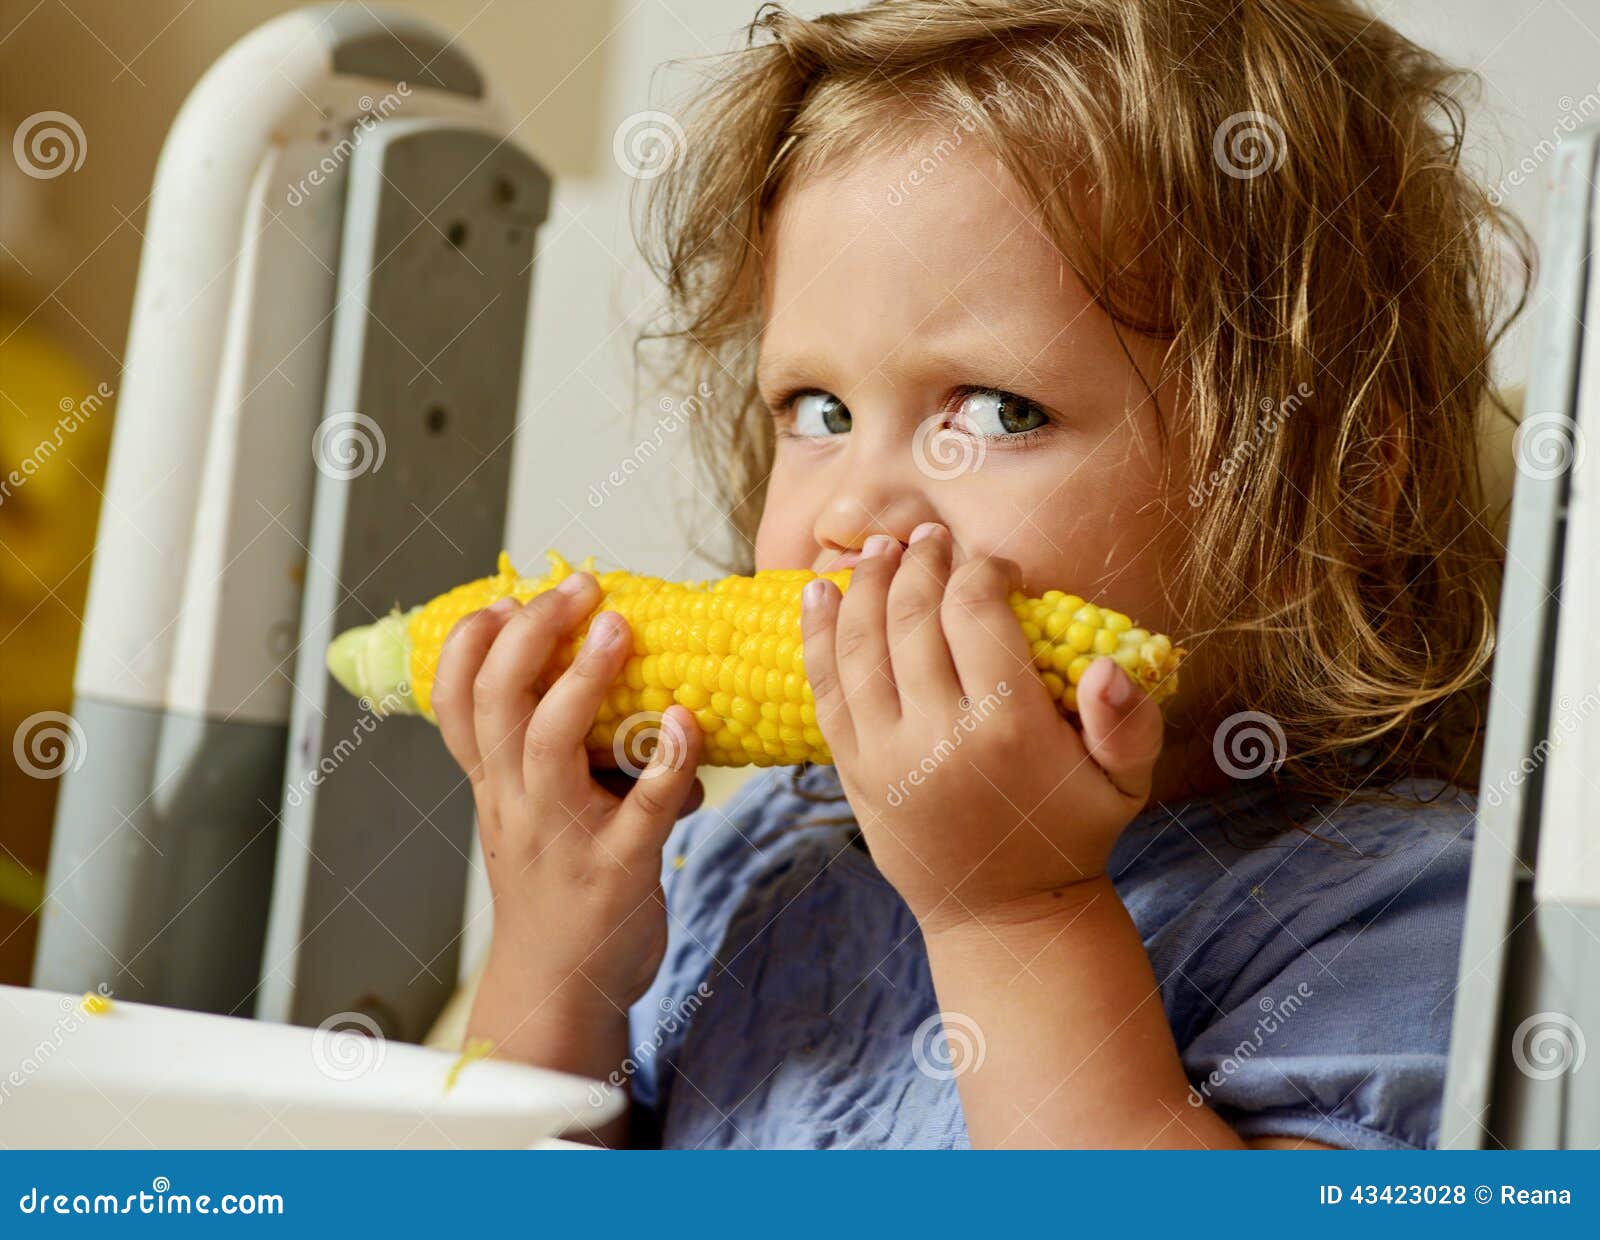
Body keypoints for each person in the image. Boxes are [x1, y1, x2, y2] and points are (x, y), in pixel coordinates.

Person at [440, 0, 1528, 1148]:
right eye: (819, 410)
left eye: (1002, 411)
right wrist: (557, 967)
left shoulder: (1397, 918)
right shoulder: (747, 861)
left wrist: (1015, 916)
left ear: (1343, 487)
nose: (851, 512)